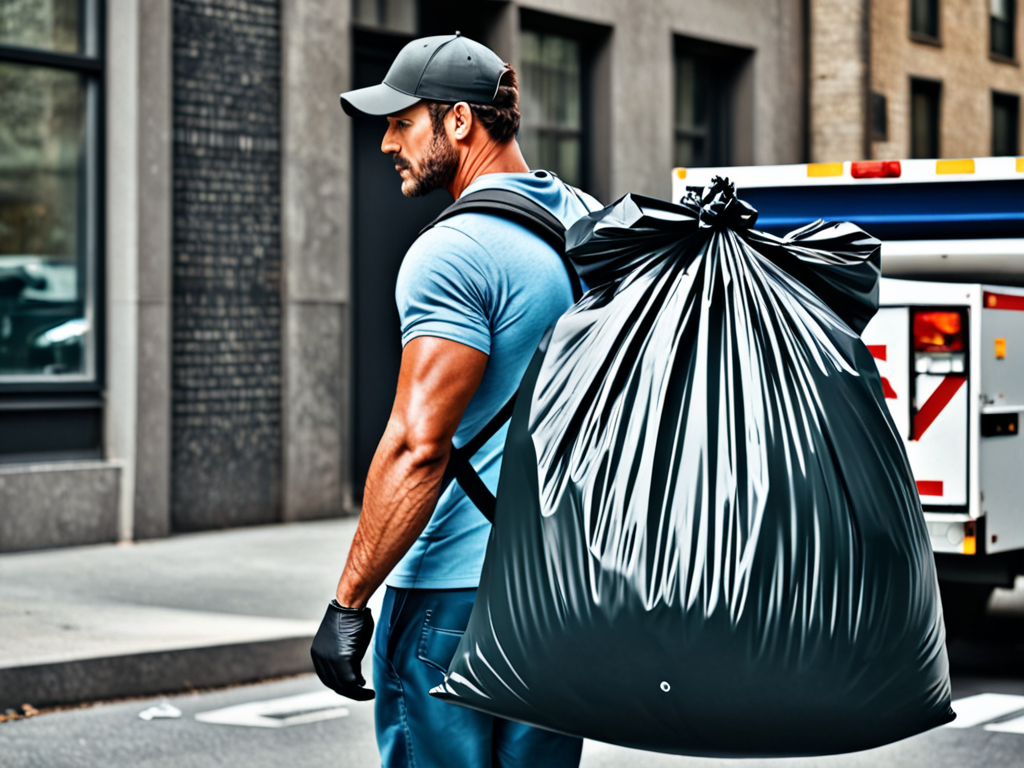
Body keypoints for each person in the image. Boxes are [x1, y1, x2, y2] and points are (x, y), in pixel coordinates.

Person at [310, 32, 599, 768]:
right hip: (560, 587)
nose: (387, 143)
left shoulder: (454, 252)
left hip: (454, 595)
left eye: (402, 122)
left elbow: (418, 445)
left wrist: (348, 603)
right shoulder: (587, 222)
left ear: (460, 122)